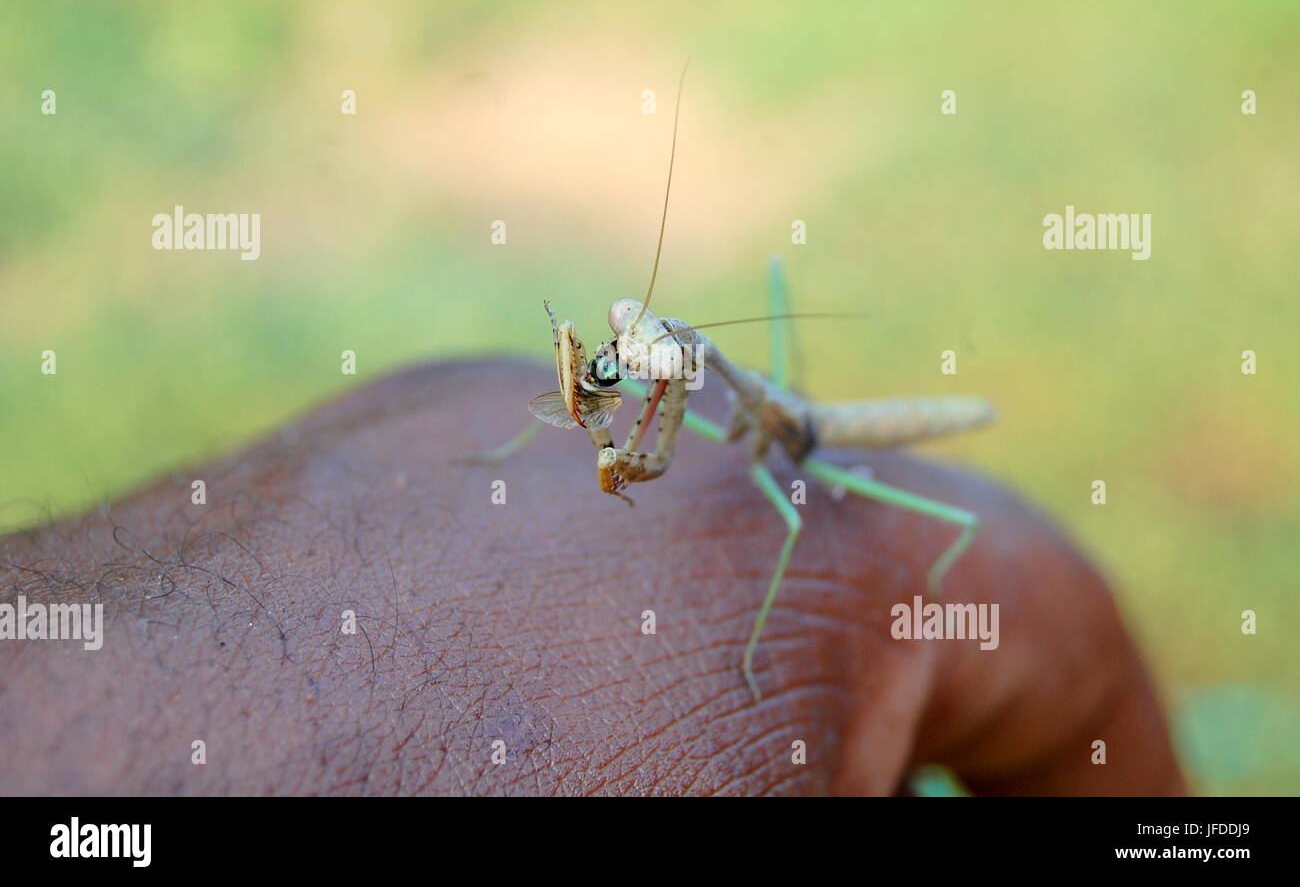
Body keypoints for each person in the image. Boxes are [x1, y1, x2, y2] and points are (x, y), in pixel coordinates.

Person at [0, 360, 1185, 795]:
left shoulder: (753, 439)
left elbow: (738, 496)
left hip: (859, 437)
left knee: (880, 525)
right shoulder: (663, 398)